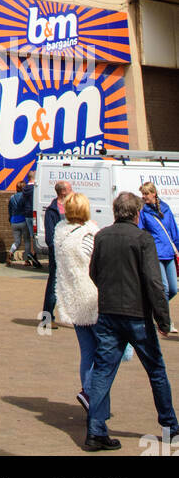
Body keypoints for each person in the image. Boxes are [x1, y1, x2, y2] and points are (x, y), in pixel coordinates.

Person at [84, 191, 179, 452]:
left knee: (103, 370)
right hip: (136, 315)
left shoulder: (102, 236)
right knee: (157, 372)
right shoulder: (142, 238)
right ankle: (170, 428)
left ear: (116, 212)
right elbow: (153, 282)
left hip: (109, 313)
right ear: (137, 214)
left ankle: (95, 431)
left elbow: (94, 272)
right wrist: (163, 319)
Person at [53, 192, 99, 411]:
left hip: (72, 298)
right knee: (106, 354)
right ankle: (91, 394)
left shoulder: (60, 233)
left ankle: (89, 393)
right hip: (91, 298)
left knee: (87, 352)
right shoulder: (87, 235)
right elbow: (95, 265)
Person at [138, 182, 179, 322]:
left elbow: (173, 230)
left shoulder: (166, 209)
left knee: (174, 288)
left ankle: (155, 307)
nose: (143, 197)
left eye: (146, 194)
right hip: (155, 253)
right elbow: (141, 232)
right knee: (164, 288)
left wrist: (178, 249)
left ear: (153, 193)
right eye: (142, 194)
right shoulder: (143, 213)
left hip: (169, 253)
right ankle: (165, 320)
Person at [42, 180, 73, 322]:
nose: (72, 191)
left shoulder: (71, 208)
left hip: (71, 253)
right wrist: (58, 249)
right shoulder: (52, 211)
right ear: (63, 192)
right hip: (58, 253)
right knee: (54, 285)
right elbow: (50, 237)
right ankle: (47, 318)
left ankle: (77, 318)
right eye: (70, 189)